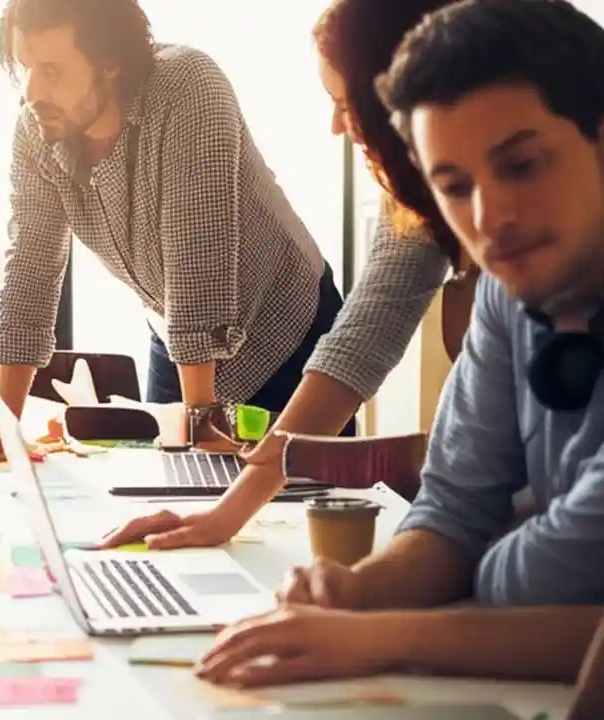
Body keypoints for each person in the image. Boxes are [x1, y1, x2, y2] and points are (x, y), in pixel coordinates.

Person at [195, 0, 604, 686]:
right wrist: (358, 592)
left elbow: (555, 578)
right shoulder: (511, 289)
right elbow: (453, 511)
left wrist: (383, 632)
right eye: (454, 186)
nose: (489, 218)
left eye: (524, 164)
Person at [101, 0, 479, 549]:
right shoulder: (418, 204)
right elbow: (359, 341)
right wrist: (226, 514)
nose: (334, 126)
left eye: (345, 103)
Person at [0, 0, 349, 466]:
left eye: (53, 70)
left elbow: (195, 253)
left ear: (110, 65)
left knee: (288, 513)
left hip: (285, 330)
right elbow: (30, 268)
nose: (33, 91)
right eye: (25, 68)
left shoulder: (188, 86)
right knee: (176, 495)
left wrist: (201, 419)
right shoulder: (37, 127)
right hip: (176, 337)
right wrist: (6, 425)